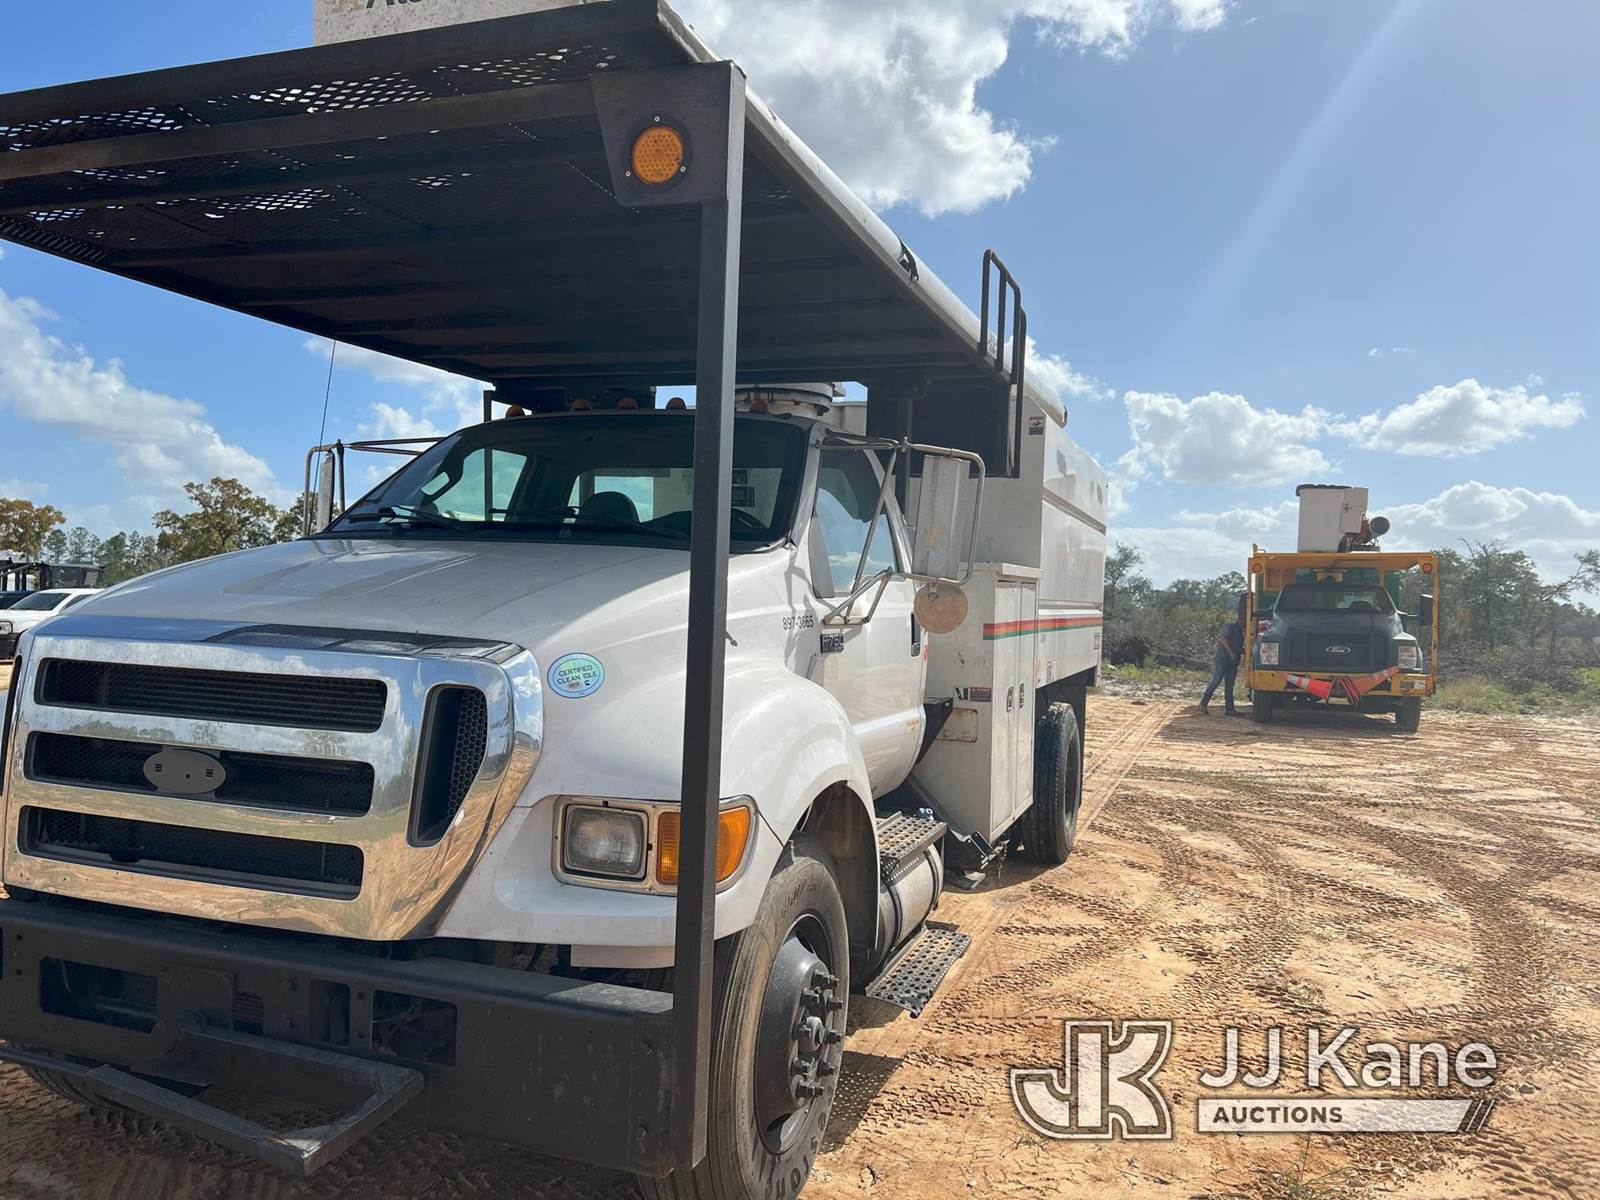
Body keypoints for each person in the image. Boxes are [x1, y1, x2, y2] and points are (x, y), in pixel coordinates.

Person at [1201, 595, 1246, 715]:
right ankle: (1203, 703)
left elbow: (1238, 647)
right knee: (1216, 681)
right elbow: (1222, 639)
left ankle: (1230, 709)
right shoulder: (1230, 627)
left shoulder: (1241, 633)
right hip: (1223, 660)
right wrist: (1231, 653)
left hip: (1233, 662)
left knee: (1229, 686)